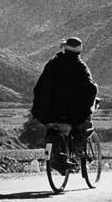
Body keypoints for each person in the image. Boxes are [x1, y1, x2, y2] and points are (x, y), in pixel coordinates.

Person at [31, 37, 98, 173]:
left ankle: (59, 153)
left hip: (48, 112)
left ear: (64, 48)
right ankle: (77, 154)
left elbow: (40, 86)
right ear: (79, 51)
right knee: (84, 125)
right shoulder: (80, 66)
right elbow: (90, 88)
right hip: (70, 114)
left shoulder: (52, 64)